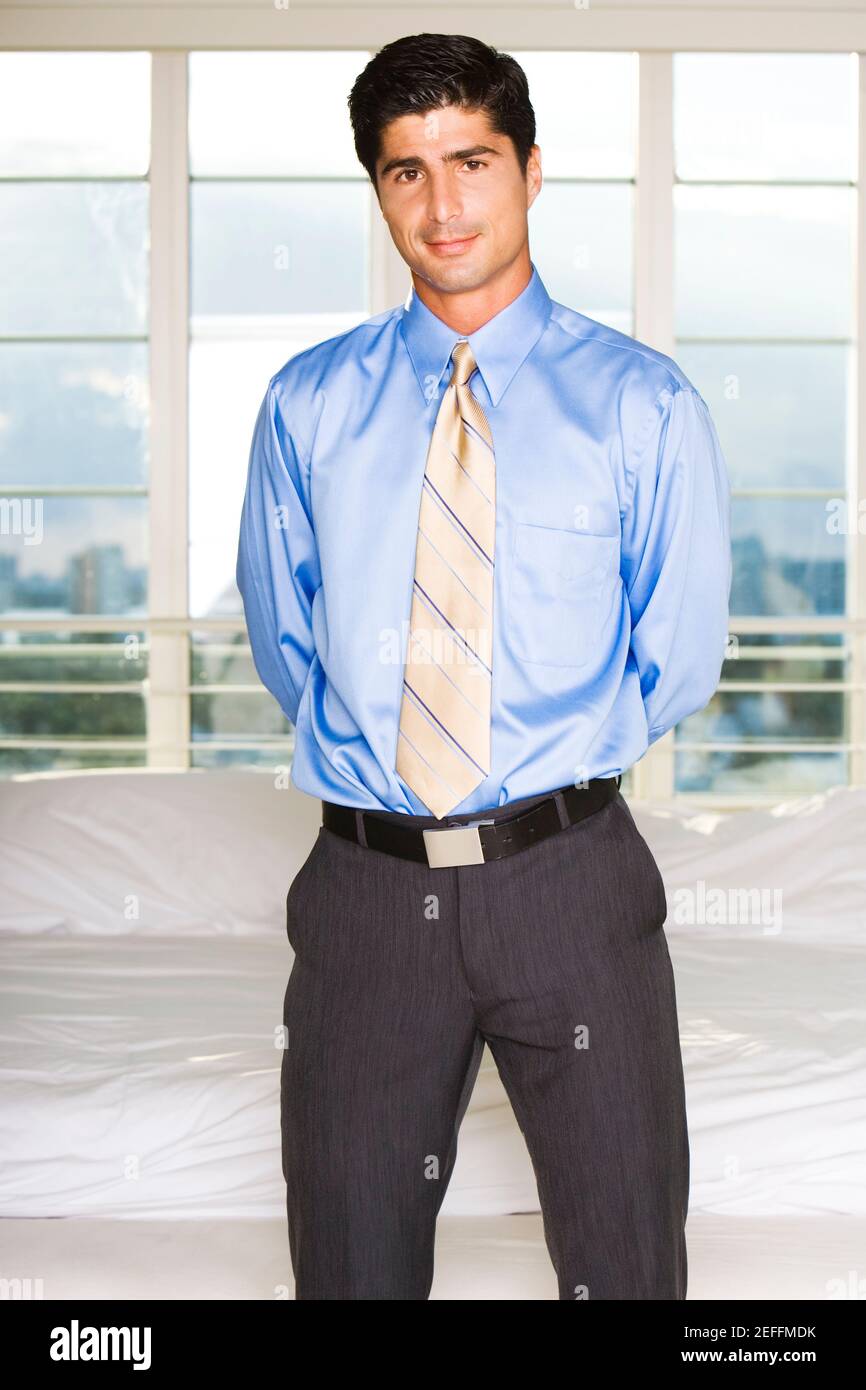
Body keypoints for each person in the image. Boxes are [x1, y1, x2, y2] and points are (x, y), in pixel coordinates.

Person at [236, 32, 732, 1301]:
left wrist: (543, 773)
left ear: (528, 170)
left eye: (469, 160)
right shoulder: (306, 405)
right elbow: (288, 641)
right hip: (363, 893)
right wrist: (390, 766)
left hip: (568, 885)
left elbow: (673, 652)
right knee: (349, 1267)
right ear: (378, 189)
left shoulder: (641, 404)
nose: (441, 202)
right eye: (404, 171)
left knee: (623, 1261)